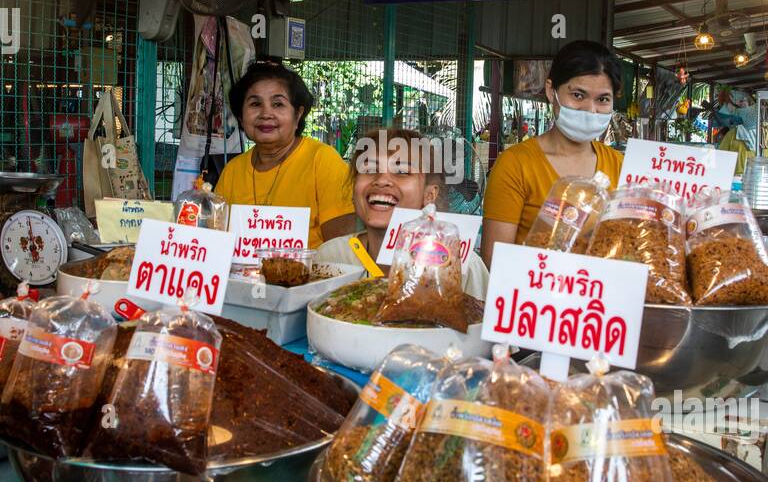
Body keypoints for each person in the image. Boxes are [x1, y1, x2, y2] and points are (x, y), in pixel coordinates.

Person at [481, 40, 624, 265]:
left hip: (603, 297)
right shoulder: (516, 164)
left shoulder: (620, 165)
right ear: (551, 91)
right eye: (578, 95)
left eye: (603, 99)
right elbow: (494, 259)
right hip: (533, 296)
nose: (590, 109)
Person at [315, 127, 489, 297]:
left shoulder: (463, 267)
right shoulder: (329, 257)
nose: (382, 180)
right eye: (369, 170)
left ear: (429, 195)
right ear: (354, 189)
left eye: (402, 171)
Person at [215, 59, 356, 247]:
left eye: (278, 104)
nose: (266, 113)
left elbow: (341, 247)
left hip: (314, 275)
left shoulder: (322, 160)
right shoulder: (232, 171)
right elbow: (217, 240)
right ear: (241, 117)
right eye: (255, 104)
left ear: (297, 115)